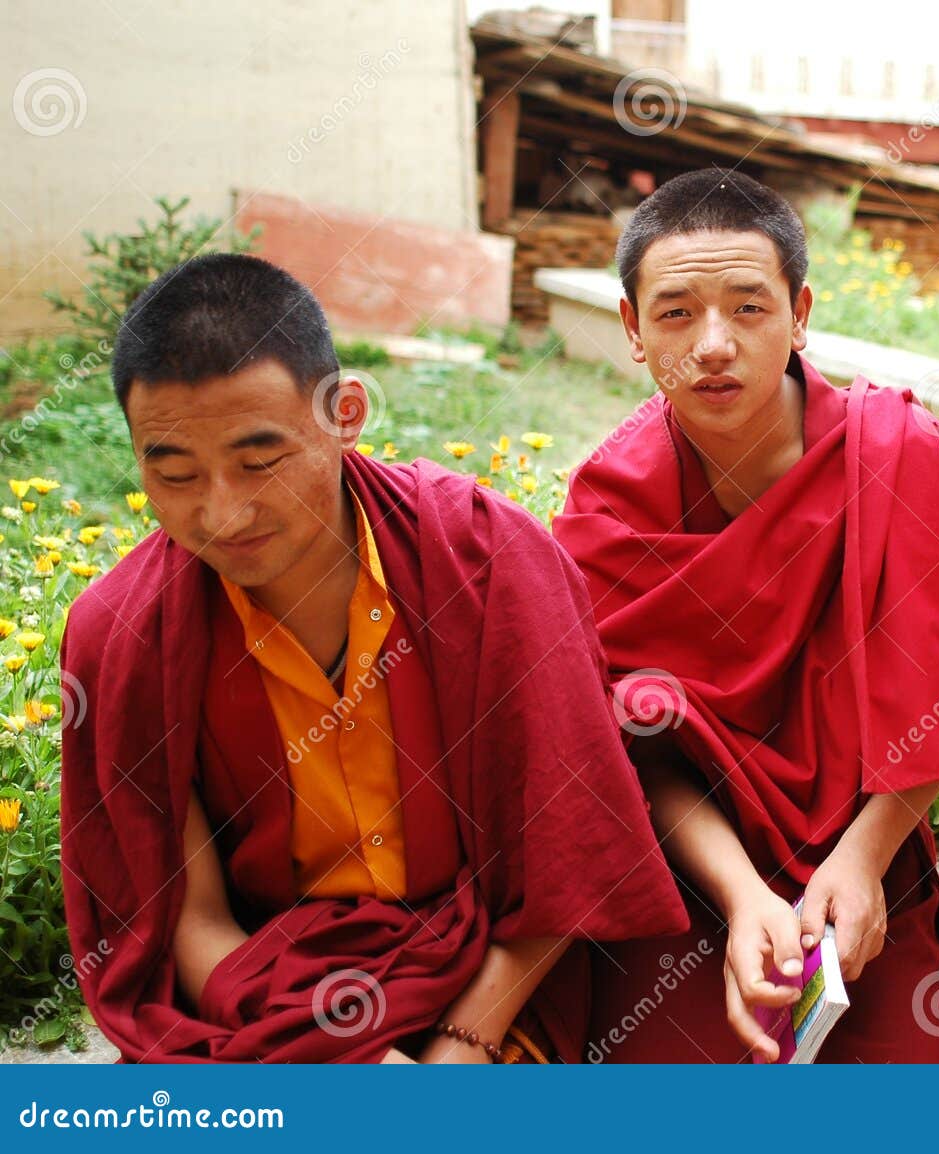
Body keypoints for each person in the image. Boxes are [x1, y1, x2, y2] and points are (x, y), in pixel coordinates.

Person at [60, 253, 687, 1063]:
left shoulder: (488, 558)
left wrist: (464, 1041)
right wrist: (345, 1051)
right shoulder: (123, 632)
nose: (220, 511)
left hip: (493, 964)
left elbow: (569, 862)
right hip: (268, 987)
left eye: (260, 462)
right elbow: (186, 920)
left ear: (345, 410)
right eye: (171, 470)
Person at [553, 168, 939, 1062]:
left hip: (868, 863)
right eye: (677, 313)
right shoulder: (610, 510)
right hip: (688, 883)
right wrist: (740, 897)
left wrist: (864, 858)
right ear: (632, 331)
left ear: (800, 313)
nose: (714, 345)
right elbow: (622, 745)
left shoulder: (896, 460)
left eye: (750, 309)